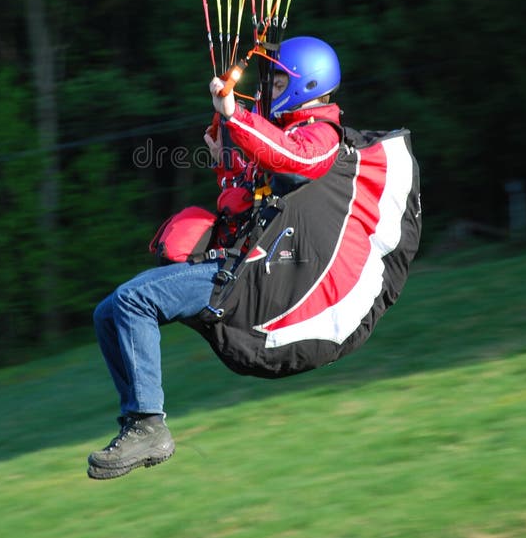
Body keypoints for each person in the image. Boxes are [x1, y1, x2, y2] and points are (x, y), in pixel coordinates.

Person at [87, 36, 342, 480]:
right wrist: (223, 148)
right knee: (108, 312)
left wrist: (238, 117)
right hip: (233, 261)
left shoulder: (321, 135)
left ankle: (150, 423)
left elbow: (293, 160)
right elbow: (244, 186)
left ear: (308, 84)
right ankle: (136, 422)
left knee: (133, 301)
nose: (269, 87)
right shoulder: (281, 129)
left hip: (256, 278)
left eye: (279, 78)